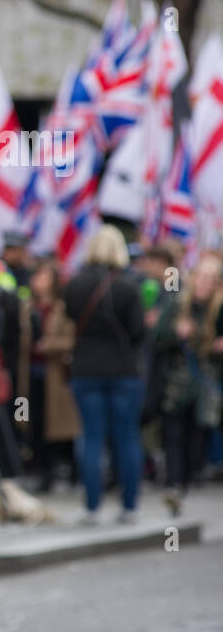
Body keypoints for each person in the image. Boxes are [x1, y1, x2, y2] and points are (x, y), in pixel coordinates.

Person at [62, 225, 148, 524]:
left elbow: (71, 318)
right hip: (123, 370)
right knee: (126, 438)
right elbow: (138, 331)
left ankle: (92, 506)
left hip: (86, 369)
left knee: (91, 439)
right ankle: (129, 505)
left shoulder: (75, 284)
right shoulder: (127, 287)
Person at [150, 255, 223, 513]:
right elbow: (156, 338)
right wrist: (175, 333)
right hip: (176, 385)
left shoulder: (219, 309)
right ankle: (174, 485)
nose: (205, 284)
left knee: (196, 439)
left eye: (211, 279)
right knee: (173, 436)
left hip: (205, 387)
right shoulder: (178, 303)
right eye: (202, 277)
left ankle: (187, 479)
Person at [26, 259, 80, 493]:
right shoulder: (28, 307)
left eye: (44, 277)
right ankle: (42, 470)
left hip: (56, 375)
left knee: (61, 425)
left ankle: (69, 470)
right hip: (31, 372)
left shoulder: (63, 307)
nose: (39, 282)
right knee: (34, 421)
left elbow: (73, 339)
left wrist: (51, 345)